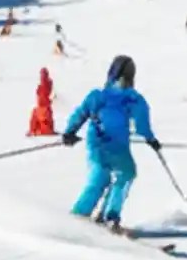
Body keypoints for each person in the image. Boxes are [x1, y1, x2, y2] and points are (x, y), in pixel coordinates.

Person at [61, 55, 161, 234]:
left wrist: (70, 131)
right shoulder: (131, 98)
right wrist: (150, 138)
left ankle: (91, 215)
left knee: (107, 174)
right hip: (111, 144)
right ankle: (100, 215)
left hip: (103, 143)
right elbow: (141, 123)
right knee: (119, 174)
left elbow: (81, 112)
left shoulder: (102, 96)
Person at [28, 68, 56, 136]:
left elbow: (44, 93)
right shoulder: (46, 83)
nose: (41, 76)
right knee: (38, 115)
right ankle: (35, 130)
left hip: (43, 105)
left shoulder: (46, 83)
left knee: (42, 117)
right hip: (43, 105)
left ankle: (37, 130)